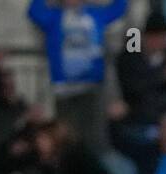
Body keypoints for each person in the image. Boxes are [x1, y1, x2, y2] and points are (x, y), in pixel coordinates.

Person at [27, 0, 127, 151]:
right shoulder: (55, 17)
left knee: (94, 139)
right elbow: (34, 12)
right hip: (64, 90)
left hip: (92, 87)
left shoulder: (94, 14)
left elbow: (118, 9)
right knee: (66, 139)